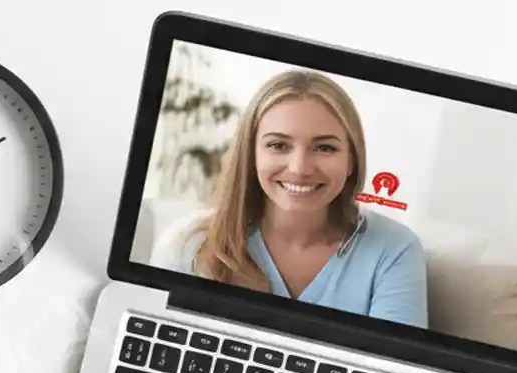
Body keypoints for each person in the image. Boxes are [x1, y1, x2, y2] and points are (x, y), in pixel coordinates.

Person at [162, 69, 428, 328]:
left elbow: (389, 368)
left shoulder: (394, 251)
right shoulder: (193, 247)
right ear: (250, 155)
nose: (300, 168)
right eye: (278, 145)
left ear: (351, 161)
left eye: (324, 148)